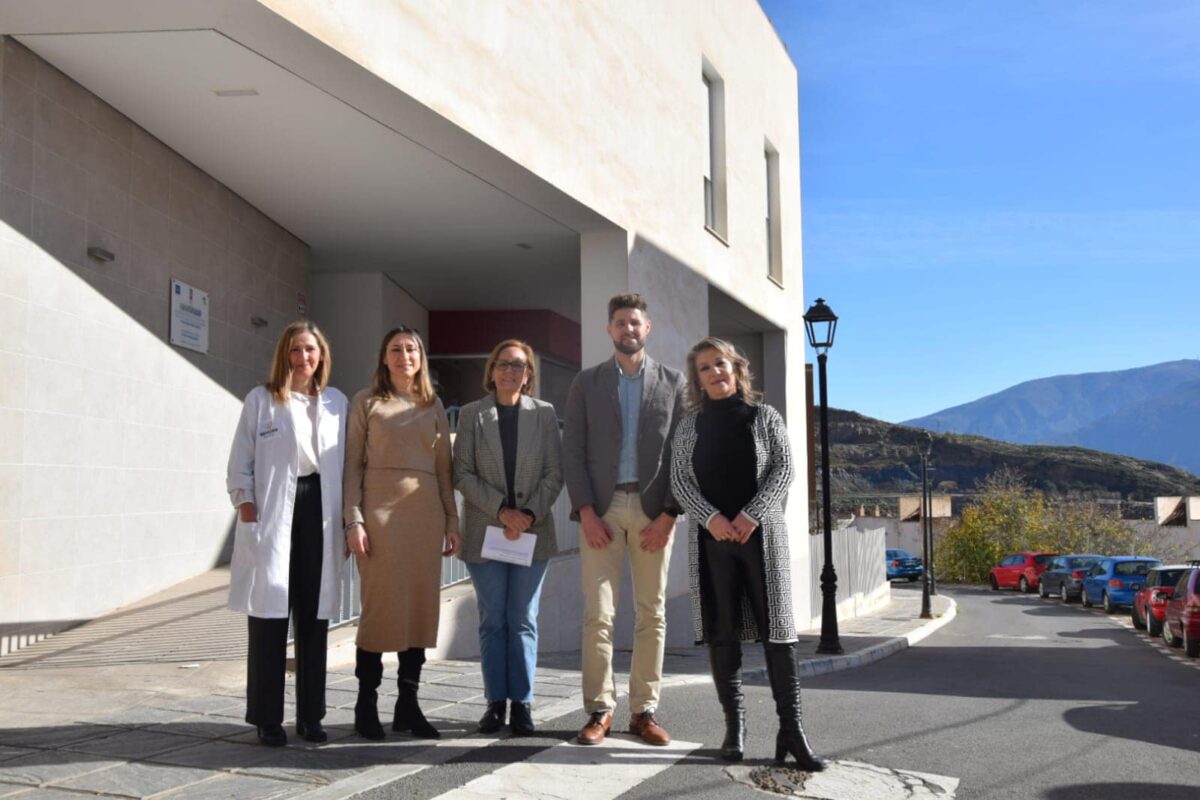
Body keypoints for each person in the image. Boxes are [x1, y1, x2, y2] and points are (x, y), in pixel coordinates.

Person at [669, 337, 825, 771]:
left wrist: (752, 515)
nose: (714, 373)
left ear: (737, 368)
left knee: (779, 634)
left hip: (763, 538)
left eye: (721, 364)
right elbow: (680, 481)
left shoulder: (765, 416)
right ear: (698, 379)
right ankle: (734, 728)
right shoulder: (689, 426)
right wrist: (712, 518)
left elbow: (785, 468)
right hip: (713, 542)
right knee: (723, 634)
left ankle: (791, 731)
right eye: (704, 368)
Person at [562, 293, 687, 747]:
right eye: (619, 323)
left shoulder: (673, 383)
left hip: (655, 512)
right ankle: (599, 710)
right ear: (608, 329)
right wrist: (587, 513)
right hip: (603, 509)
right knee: (599, 614)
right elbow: (572, 449)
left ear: (647, 328)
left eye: (635, 322)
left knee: (651, 613)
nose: (628, 329)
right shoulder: (587, 383)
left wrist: (670, 516)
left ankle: (644, 711)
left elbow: (683, 455)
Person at [225, 320, 348, 747]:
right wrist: (246, 505)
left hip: (321, 509)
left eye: (311, 350)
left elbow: (348, 464)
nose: (303, 358)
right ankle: (267, 718)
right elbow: (241, 458)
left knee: (315, 618)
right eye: (296, 350)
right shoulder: (261, 400)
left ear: (321, 356)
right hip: (275, 512)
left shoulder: (337, 402)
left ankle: (311, 716)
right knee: (269, 619)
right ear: (285, 354)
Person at [343, 326, 462, 740]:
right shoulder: (367, 401)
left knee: (419, 610)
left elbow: (445, 470)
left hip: (424, 515)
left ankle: (408, 705)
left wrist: (452, 520)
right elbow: (352, 466)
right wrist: (353, 518)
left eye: (411, 349)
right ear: (384, 357)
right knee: (379, 611)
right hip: (378, 515)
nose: (404, 355)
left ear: (421, 357)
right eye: (395, 349)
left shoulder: (433, 404)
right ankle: (365, 705)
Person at [453, 339, 563, 736]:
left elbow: (555, 473)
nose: (510, 372)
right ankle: (495, 702)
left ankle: (523, 703)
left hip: (533, 533)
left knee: (522, 619)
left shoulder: (545, 414)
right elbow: (461, 473)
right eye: (503, 364)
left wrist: (527, 514)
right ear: (492, 369)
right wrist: (503, 512)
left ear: (529, 373)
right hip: (487, 532)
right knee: (492, 621)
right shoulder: (471, 415)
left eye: (518, 365)